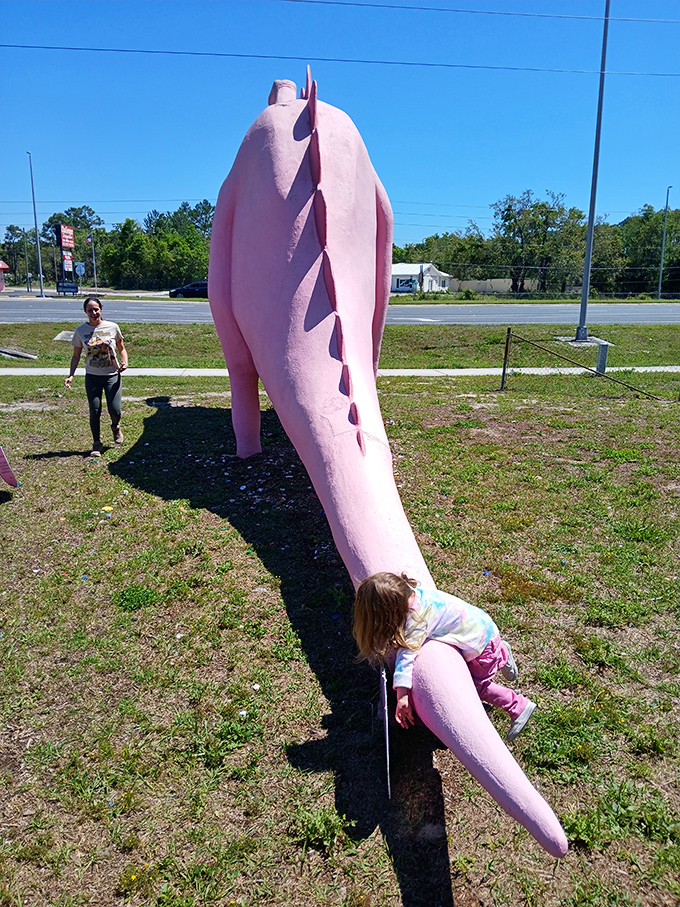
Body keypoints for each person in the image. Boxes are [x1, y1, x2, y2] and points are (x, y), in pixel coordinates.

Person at [353, 571, 536, 742]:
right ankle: (501, 653)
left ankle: (517, 706)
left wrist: (402, 695)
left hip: (480, 649)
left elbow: (406, 655)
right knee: (483, 664)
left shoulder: (416, 620)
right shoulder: (415, 594)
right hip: (484, 629)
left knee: (474, 688)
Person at [64, 297, 128, 456]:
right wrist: (71, 375)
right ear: (85, 312)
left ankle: (115, 427)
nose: (93, 313)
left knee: (115, 410)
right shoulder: (80, 331)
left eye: (96, 309)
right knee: (95, 410)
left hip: (112, 375)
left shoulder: (112, 327)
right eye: (90, 310)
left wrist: (124, 362)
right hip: (92, 376)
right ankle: (96, 443)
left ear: (101, 309)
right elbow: (76, 356)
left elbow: (121, 348)